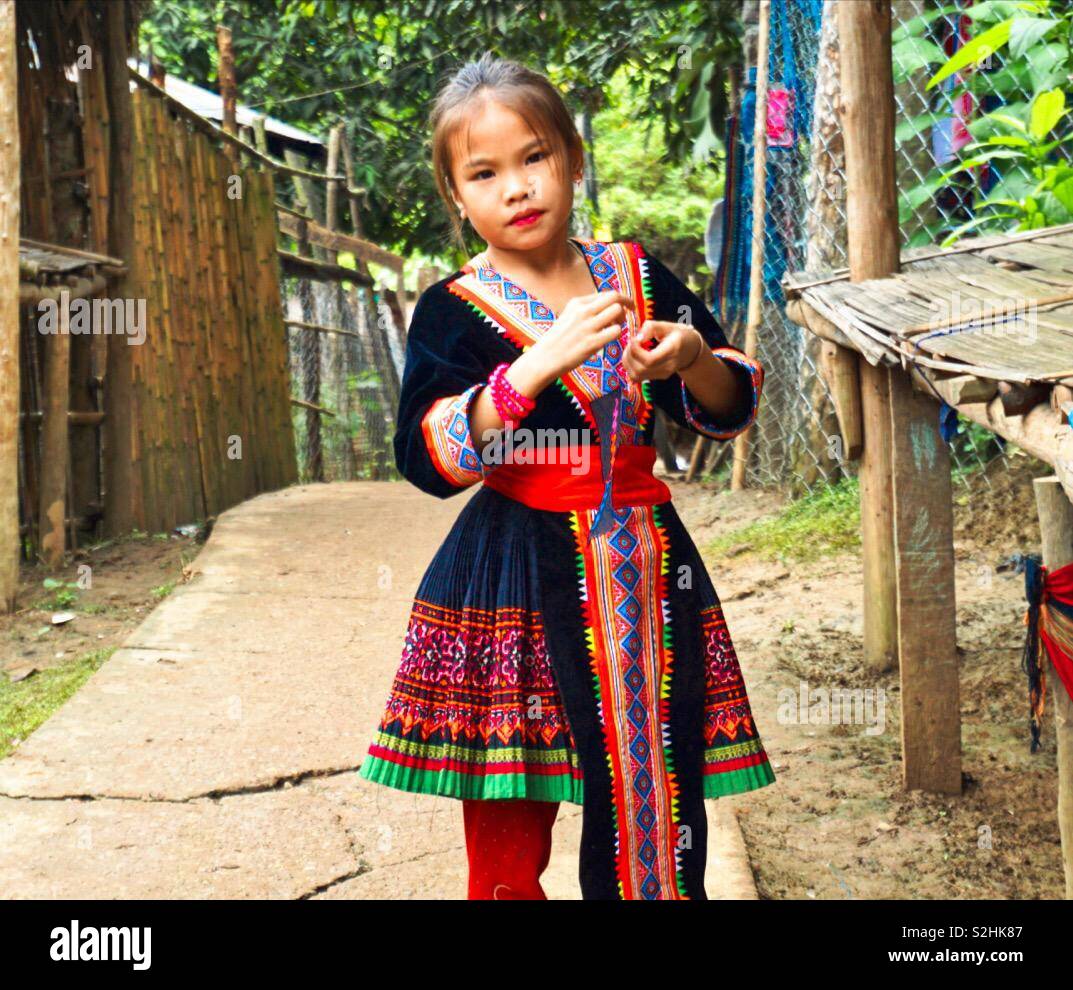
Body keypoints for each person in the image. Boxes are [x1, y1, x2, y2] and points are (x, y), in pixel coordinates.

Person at [358, 51, 775, 901]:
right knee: (509, 812)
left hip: (646, 563)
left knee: (655, 773)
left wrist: (692, 356)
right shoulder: (450, 308)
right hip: (510, 572)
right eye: (484, 172)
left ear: (572, 159)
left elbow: (727, 403)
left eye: (534, 158)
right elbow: (424, 455)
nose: (515, 187)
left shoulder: (637, 276)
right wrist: (529, 370)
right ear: (457, 195)